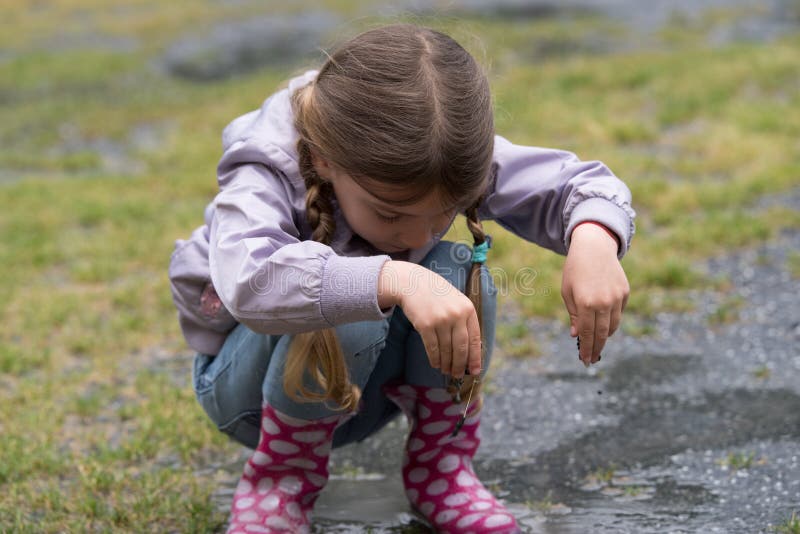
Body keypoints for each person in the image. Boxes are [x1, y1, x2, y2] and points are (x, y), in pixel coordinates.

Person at [169, 23, 634, 534]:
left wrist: (594, 240)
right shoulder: (268, 165)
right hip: (250, 399)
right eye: (391, 215)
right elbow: (249, 281)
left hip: (367, 392)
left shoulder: (443, 152)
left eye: (443, 214)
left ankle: (442, 471)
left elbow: (577, 185)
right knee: (356, 303)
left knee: (456, 268)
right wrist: (398, 279)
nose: (417, 234)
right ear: (325, 160)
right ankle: (279, 485)